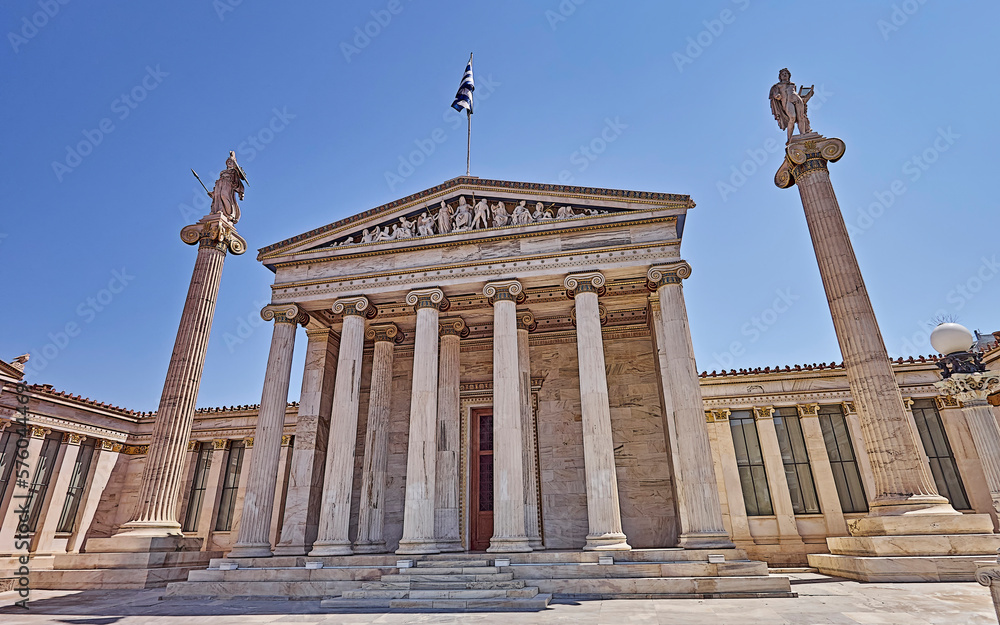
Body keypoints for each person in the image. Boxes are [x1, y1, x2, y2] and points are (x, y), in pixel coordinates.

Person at [769, 68, 813, 143]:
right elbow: (775, 94)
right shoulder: (777, 86)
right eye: (783, 74)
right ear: (780, 77)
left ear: (789, 75)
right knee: (792, 118)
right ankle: (789, 139)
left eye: (786, 73)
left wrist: (807, 96)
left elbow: (794, 92)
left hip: (797, 99)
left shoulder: (792, 84)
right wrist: (777, 96)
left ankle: (803, 135)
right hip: (787, 102)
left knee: (801, 117)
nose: (785, 75)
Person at [209, 151, 245, 223]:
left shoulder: (234, 171)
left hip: (228, 184)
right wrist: (213, 192)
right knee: (218, 197)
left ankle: (229, 214)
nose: (229, 162)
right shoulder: (223, 172)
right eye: (228, 161)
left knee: (224, 196)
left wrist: (241, 192)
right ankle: (217, 211)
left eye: (231, 161)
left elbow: (240, 178)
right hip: (220, 184)